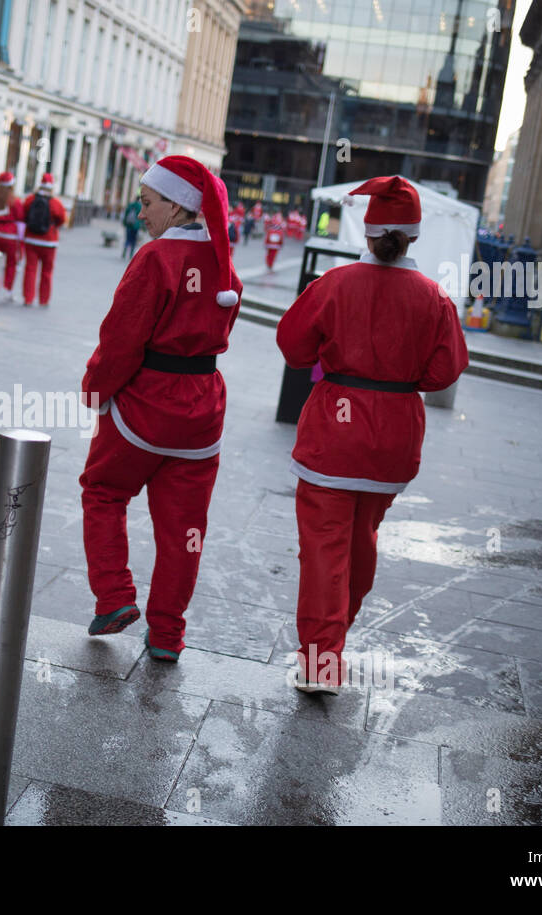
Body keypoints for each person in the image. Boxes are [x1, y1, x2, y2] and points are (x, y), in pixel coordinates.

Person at [275, 176, 468, 694]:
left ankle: (321, 661)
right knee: (361, 543)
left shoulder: (334, 284)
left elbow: (294, 348)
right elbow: (445, 371)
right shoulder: (434, 298)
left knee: (323, 548)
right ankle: (333, 641)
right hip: (393, 439)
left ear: (368, 232)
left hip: (332, 436)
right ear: (412, 236)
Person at [79, 155, 243, 663]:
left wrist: (94, 389)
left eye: (148, 202)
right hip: (201, 414)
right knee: (184, 529)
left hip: (144, 406)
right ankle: (168, 635)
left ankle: (114, 597)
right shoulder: (222, 258)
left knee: (103, 492)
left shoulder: (155, 259)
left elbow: (121, 339)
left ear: (176, 205)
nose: (141, 212)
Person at [21, 173, 68, 306]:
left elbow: (24, 215)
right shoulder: (56, 203)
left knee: (30, 269)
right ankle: (44, 299)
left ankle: (28, 298)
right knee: (47, 272)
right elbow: (62, 220)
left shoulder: (30, 199)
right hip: (49, 241)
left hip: (31, 239)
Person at [0, 171, 25, 303]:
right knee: (11, 263)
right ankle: (7, 289)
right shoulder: (14, 200)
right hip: (9, 235)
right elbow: (20, 217)